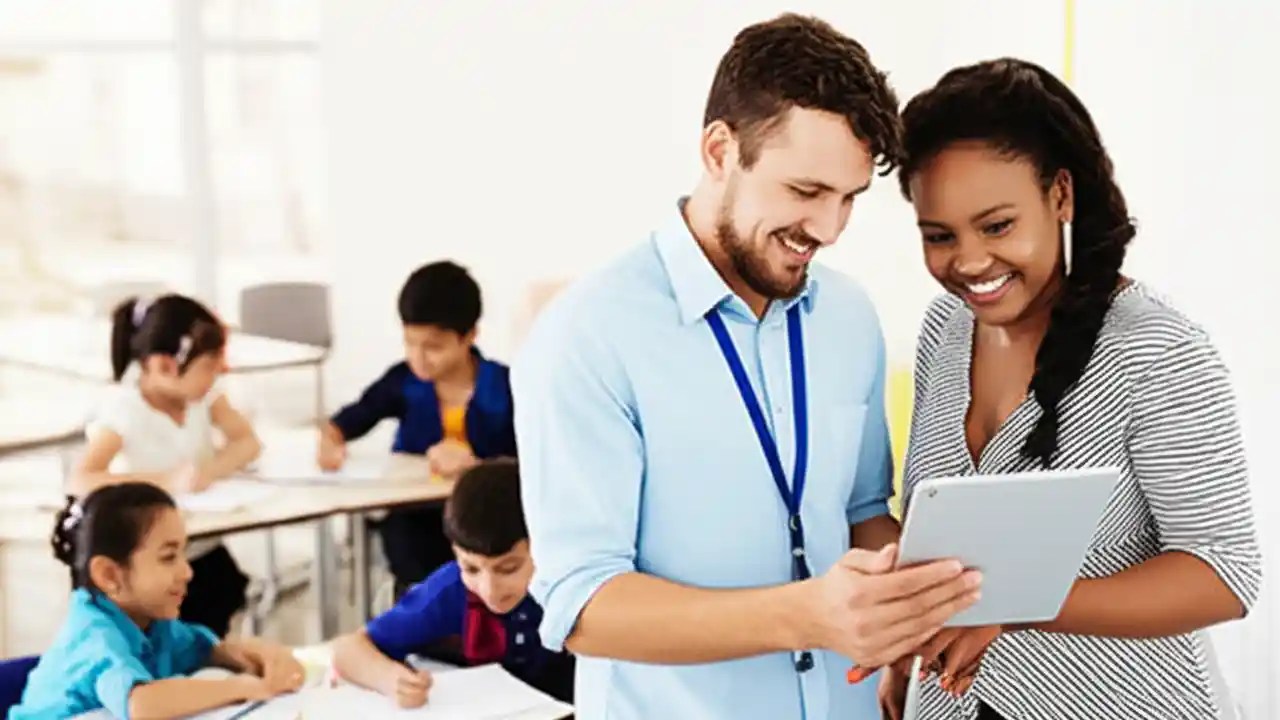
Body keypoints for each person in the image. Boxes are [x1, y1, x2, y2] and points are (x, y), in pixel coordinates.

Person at [512, 14, 982, 720]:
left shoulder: (849, 316)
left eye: (849, 199)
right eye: (806, 192)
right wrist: (808, 615)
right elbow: (582, 604)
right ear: (719, 151)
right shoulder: (587, 334)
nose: (829, 229)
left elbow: (859, 513)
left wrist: (926, 601)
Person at [880, 58, 1263, 720]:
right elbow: (935, 529)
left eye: (997, 225)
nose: (968, 261)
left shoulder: (1155, 351)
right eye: (939, 236)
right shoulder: (945, 327)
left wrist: (1017, 606)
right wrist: (902, 656)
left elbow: (1224, 572)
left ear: (1060, 195)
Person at [10, 483, 304, 719]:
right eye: (168, 557)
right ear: (109, 574)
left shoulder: (151, 621)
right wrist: (239, 688)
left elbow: (209, 651)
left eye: (184, 554)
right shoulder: (94, 637)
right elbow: (142, 704)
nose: (187, 572)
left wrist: (263, 656)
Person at [319, 261, 516, 594]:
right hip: (416, 518)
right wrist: (330, 441)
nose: (419, 357)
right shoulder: (403, 381)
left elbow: (534, 465)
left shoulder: (507, 388)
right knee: (410, 549)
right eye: (410, 343)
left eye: (433, 347)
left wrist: (475, 467)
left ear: (469, 335)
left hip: (486, 523)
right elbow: (345, 421)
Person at [71, 293, 260, 637]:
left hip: (201, 547)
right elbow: (82, 479)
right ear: (164, 366)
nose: (217, 375)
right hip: (154, 559)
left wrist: (209, 471)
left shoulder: (204, 398)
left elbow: (248, 443)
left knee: (218, 596)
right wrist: (166, 481)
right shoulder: (124, 409)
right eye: (209, 367)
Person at [331, 459, 573, 707]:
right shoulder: (453, 590)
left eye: (508, 569)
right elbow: (348, 650)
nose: (489, 590)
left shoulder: (573, 586)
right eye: (471, 568)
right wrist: (390, 680)